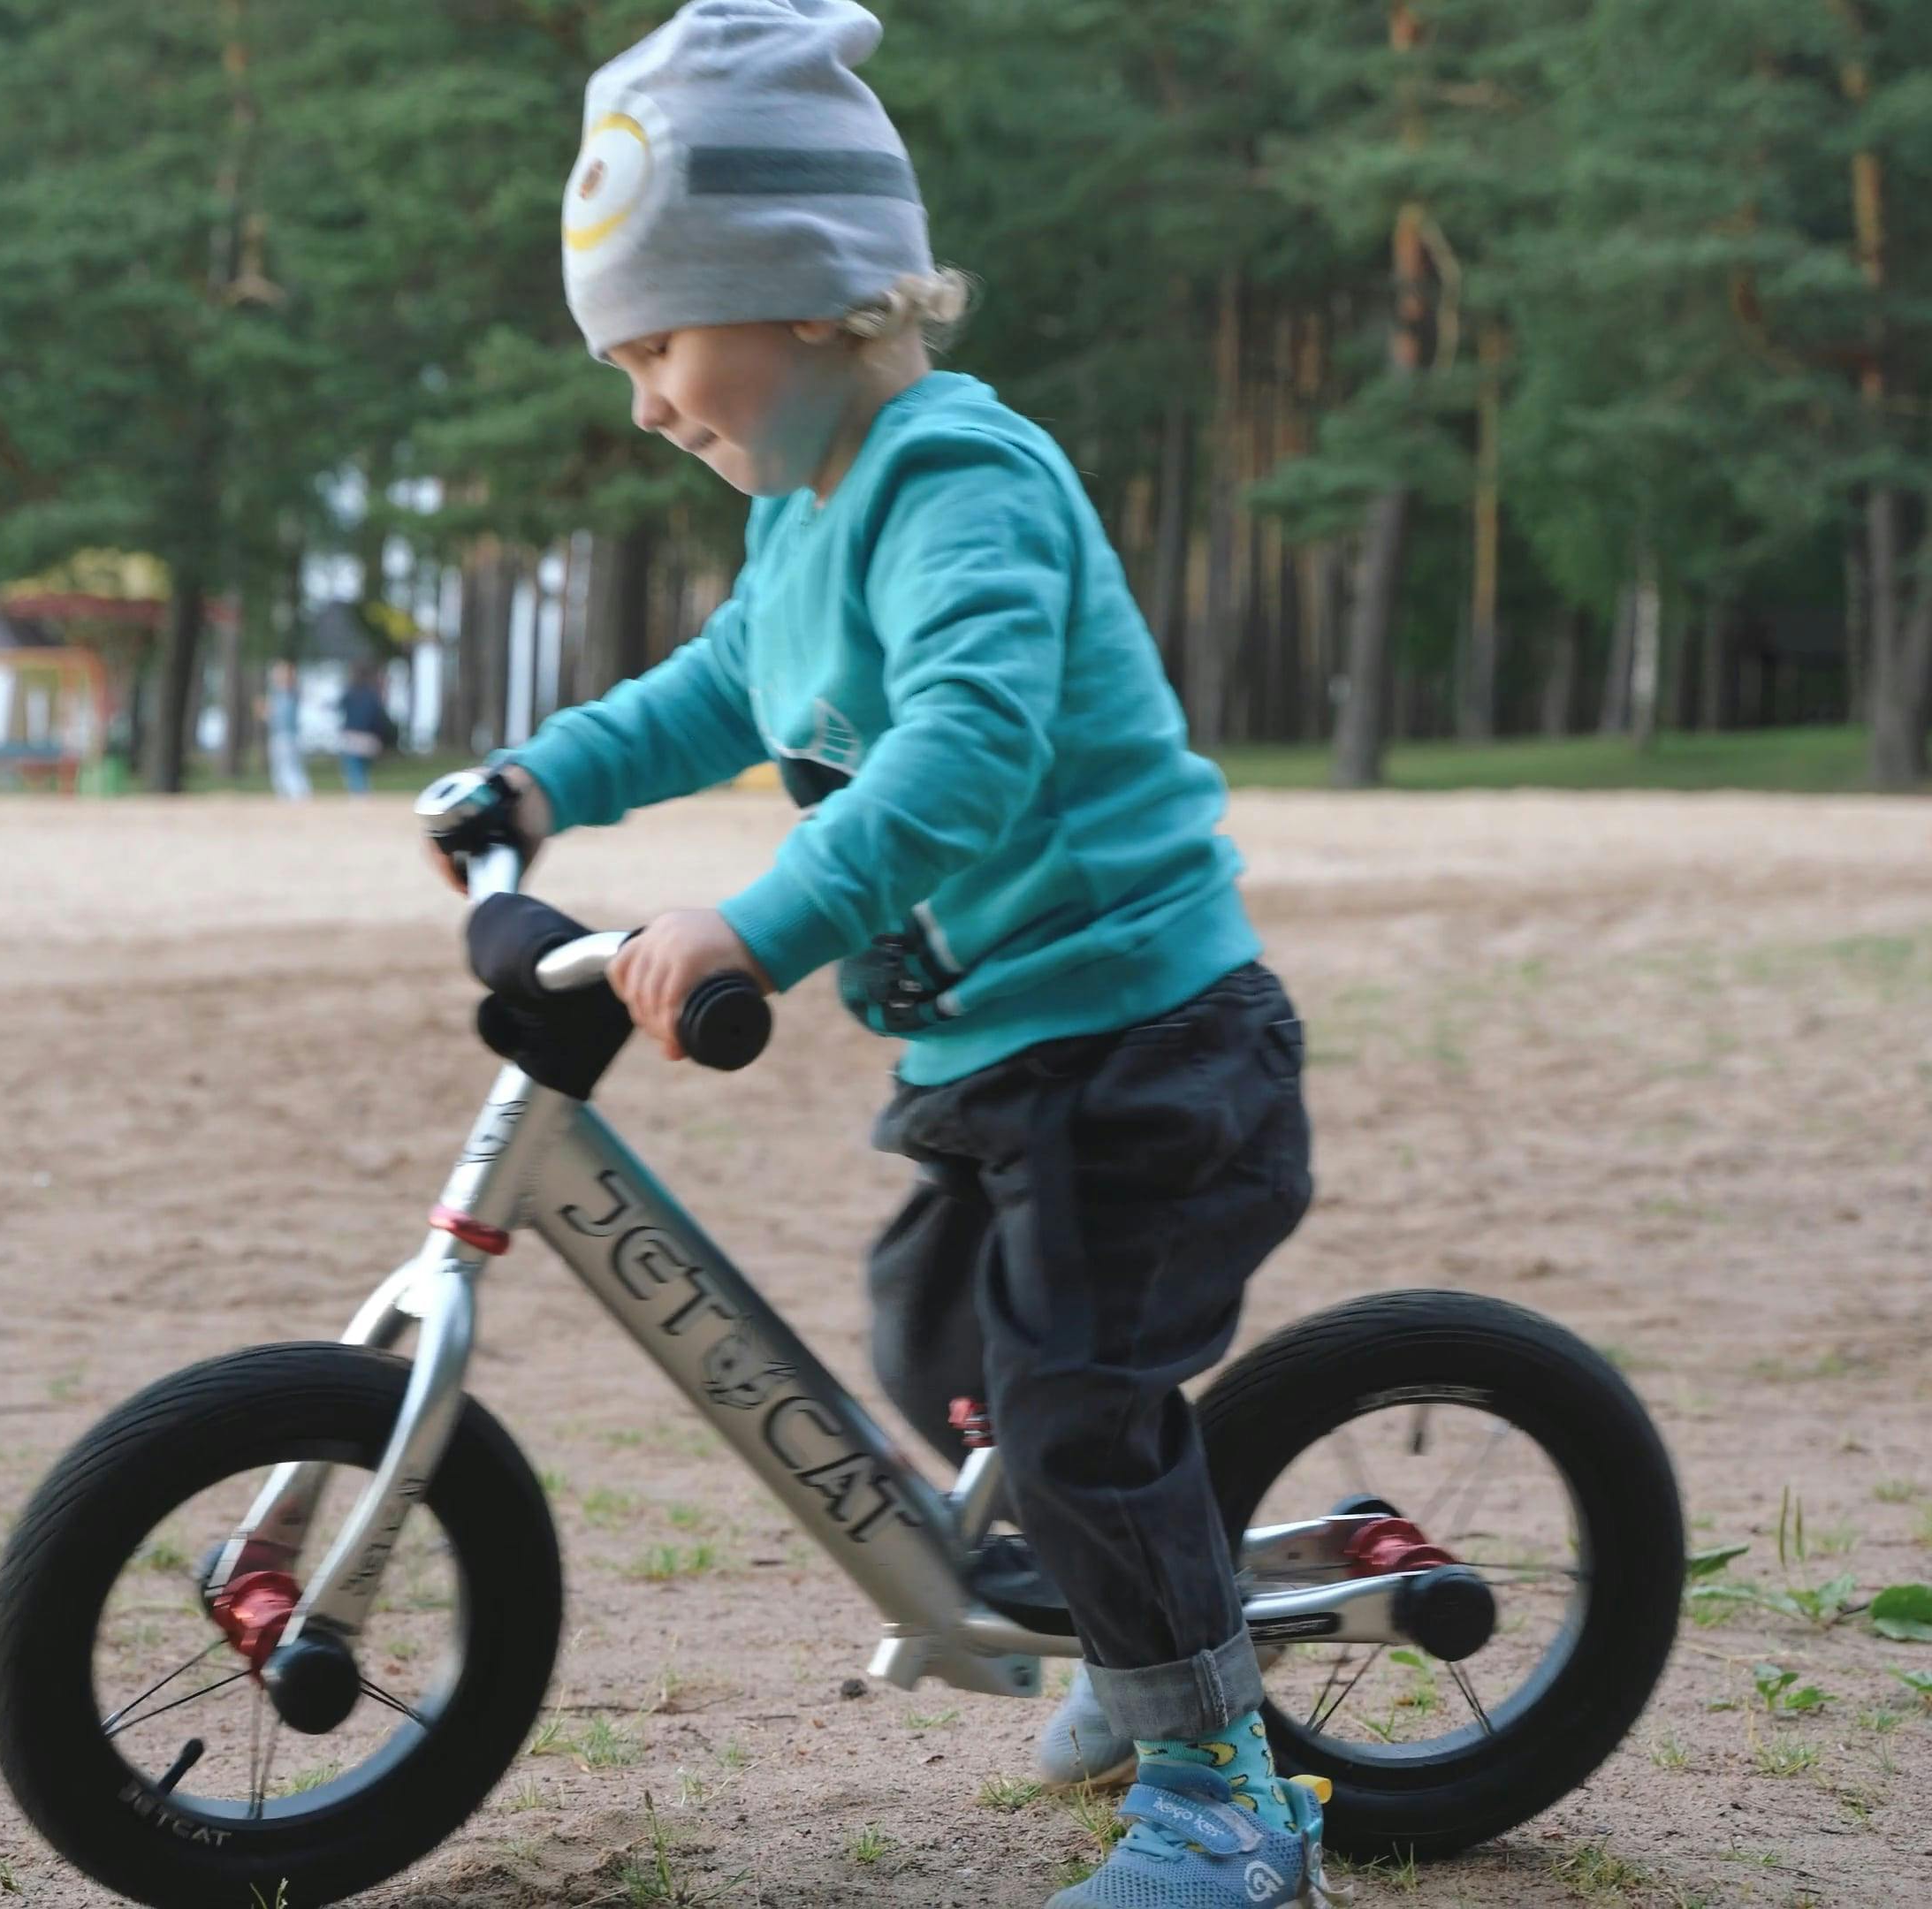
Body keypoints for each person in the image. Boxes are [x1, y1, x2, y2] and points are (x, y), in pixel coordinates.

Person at [425, 6, 1323, 1905]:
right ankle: (1137, 1616)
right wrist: (535, 781)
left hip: (1147, 1042)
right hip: (1004, 1060)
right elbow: (712, 696)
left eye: (662, 346)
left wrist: (753, 920)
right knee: (938, 1345)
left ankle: (1226, 1793)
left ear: (809, 299)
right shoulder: (807, 521)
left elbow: (968, 752)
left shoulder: (959, 481)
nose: (647, 403)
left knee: (1072, 1407)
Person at [335, 664, 398, 796]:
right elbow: (379, 719)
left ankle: (360, 793)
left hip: (353, 738)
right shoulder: (373, 694)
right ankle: (363, 791)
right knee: (361, 768)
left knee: (353, 768)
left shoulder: (350, 692)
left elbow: (339, 707)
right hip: (370, 739)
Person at [264, 660, 311, 802]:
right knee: (278, 768)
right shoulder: (277, 693)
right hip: (278, 734)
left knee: (289, 766)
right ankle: (284, 794)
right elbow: (272, 715)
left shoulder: (291, 691)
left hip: (287, 735)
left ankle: (299, 794)